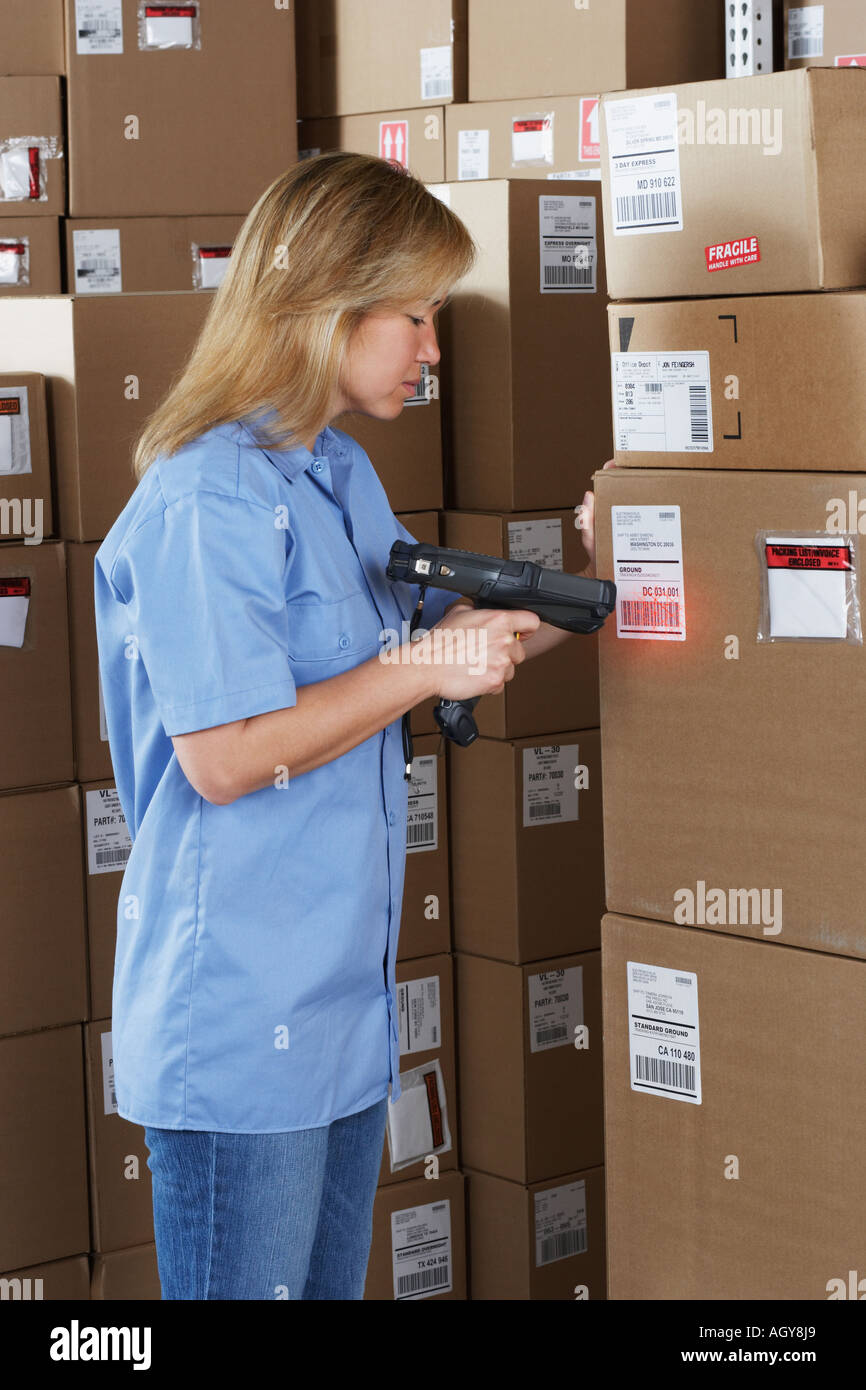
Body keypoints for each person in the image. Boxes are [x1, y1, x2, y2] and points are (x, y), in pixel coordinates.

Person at [92, 151, 583, 1302]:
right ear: (322, 307)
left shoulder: (336, 475)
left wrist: (610, 572)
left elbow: (448, 644)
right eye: (414, 316)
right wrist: (422, 662)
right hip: (238, 1026)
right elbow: (224, 758)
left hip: (337, 1019)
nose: (430, 348)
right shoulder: (202, 498)